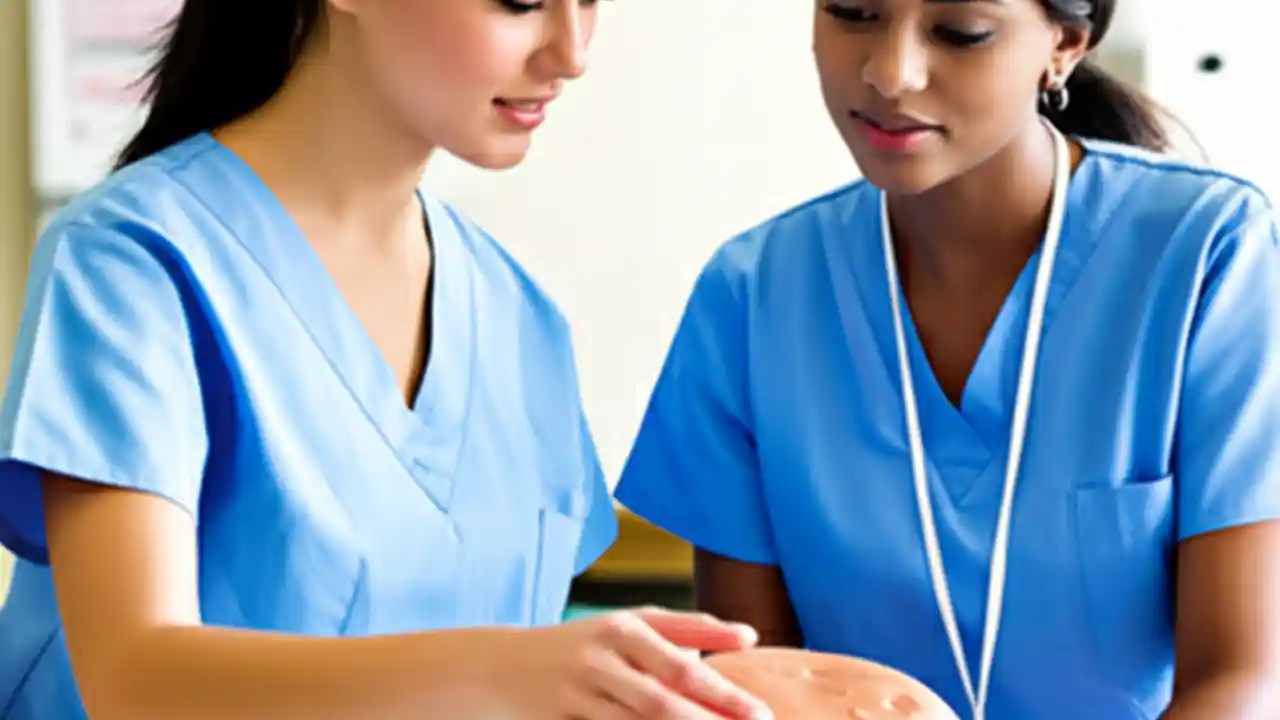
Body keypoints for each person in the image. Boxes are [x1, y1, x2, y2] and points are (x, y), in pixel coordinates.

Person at [0, 1, 777, 719]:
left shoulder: (518, 315)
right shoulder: (135, 261)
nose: (571, 54)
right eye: (519, 1)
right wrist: (505, 671)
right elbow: (136, 679)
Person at [613, 0, 1280, 718]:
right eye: (853, 13)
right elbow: (755, 683)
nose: (890, 74)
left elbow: (1239, 682)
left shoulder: (1210, 254)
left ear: (1066, 43)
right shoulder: (753, 294)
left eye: (961, 34)